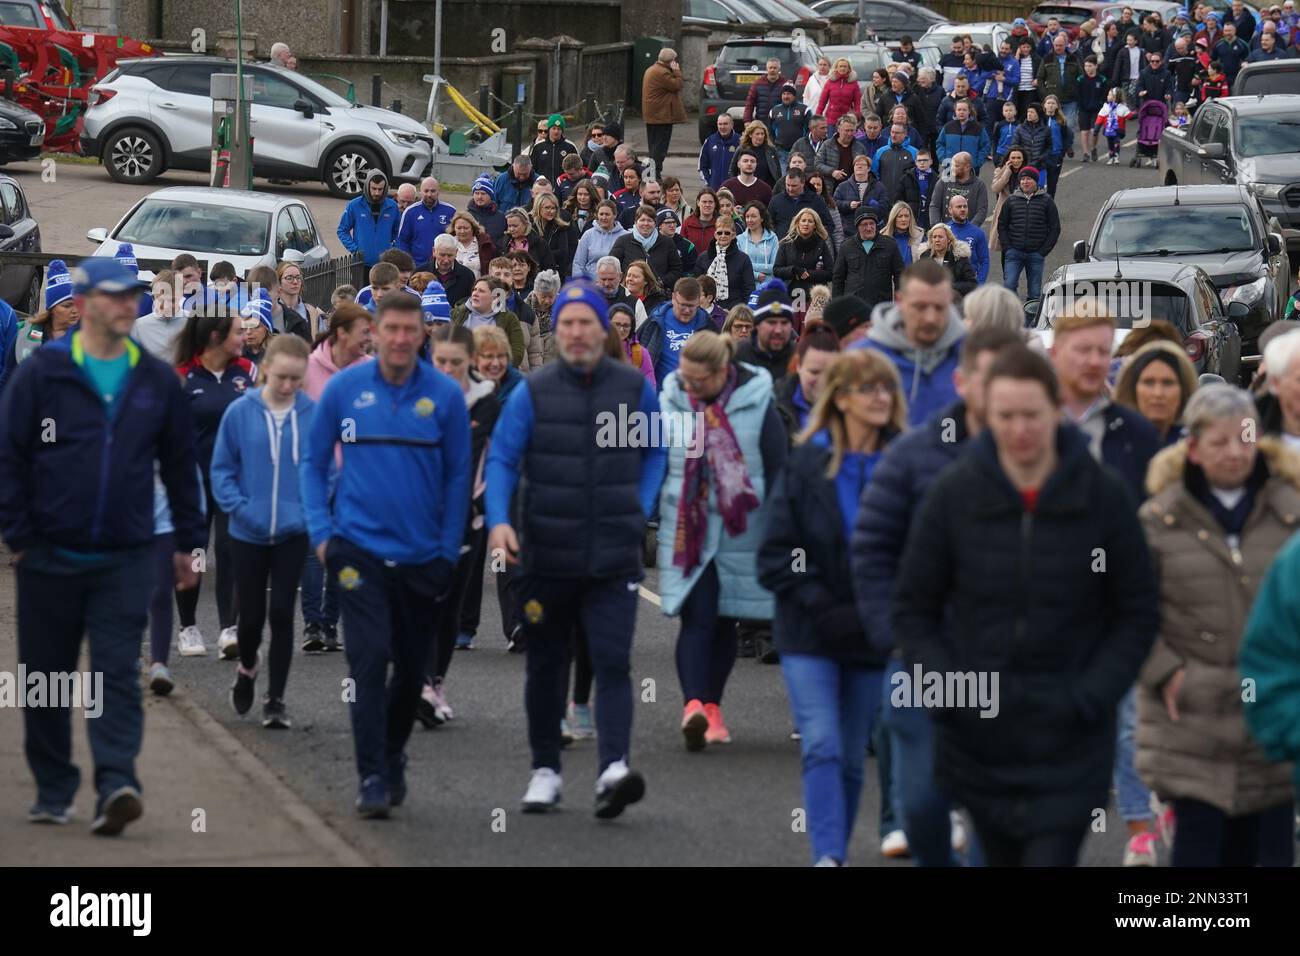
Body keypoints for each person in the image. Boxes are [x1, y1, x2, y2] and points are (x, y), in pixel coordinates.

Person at [892, 344, 1158, 866]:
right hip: (978, 735)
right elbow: (914, 607)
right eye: (1005, 416)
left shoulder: (1101, 496)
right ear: (987, 414)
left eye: (1031, 415)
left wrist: (1093, 693)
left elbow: (1137, 609)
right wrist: (948, 691)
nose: (1019, 429)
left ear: (1055, 407)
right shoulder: (955, 495)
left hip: (1071, 736)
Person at [0, 257, 204, 833]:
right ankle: (53, 787)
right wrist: (20, 535)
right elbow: (10, 458)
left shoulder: (154, 379)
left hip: (126, 554)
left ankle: (117, 782)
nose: (128, 305)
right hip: (48, 555)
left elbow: (180, 466)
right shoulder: (45, 372)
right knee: (47, 677)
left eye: (132, 296)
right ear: (86, 304)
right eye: (116, 296)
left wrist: (188, 542)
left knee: (115, 673)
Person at [485, 279, 664, 816]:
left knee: (611, 660)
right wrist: (498, 520)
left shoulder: (633, 388)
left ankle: (613, 767)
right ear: (558, 330)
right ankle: (545, 771)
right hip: (546, 553)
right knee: (546, 663)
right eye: (568, 323)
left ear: (601, 329)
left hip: (613, 554)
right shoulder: (533, 392)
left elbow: (656, 452)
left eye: (587, 322)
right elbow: (502, 460)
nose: (578, 332)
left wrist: (640, 505)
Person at [853, 325, 1021, 866]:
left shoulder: (1052, 459)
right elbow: (874, 551)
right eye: (986, 378)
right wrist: (894, 638)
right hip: (923, 658)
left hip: (1010, 664)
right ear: (961, 381)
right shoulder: (913, 454)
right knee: (923, 803)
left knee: (999, 812)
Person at [302, 292, 470, 817]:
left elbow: (459, 477)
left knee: (409, 674)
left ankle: (393, 753)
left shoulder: (444, 397)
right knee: (369, 661)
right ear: (376, 332)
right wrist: (323, 535)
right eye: (391, 328)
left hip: (423, 558)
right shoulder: (346, 388)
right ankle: (371, 774)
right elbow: (311, 463)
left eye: (409, 330)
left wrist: (447, 550)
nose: (400, 338)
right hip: (358, 554)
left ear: (423, 334)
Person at [1138, 384, 1298, 867]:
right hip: (1190, 719)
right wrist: (1166, 670)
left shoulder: (1290, 516)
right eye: (1220, 442)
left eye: (1244, 440)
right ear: (1193, 447)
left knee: (1271, 851)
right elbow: (1129, 610)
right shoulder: (1158, 521)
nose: (1234, 453)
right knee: (1200, 861)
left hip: (1270, 719)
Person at [759, 349, 903, 866]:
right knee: (821, 743)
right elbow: (775, 554)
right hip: (810, 633)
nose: (881, 398)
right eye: (869, 389)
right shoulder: (804, 462)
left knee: (849, 755)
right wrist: (823, 604)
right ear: (841, 399)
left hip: (875, 635)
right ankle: (827, 857)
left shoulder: (903, 467)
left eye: (887, 388)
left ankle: (836, 850)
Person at [658, 329, 785, 749]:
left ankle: (712, 706)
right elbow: (658, 462)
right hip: (688, 526)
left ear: (722, 371)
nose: (689, 386)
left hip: (741, 528)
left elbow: (777, 463)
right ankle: (693, 705)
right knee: (698, 615)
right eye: (685, 378)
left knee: (724, 616)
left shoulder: (756, 402)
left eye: (699, 380)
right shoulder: (672, 399)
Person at [210, 333, 314, 728]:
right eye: (281, 377)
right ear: (266, 369)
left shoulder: (313, 414)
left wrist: (307, 512)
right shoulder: (241, 412)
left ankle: (276, 699)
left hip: (293, 531)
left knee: (284, 613)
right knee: (250, 619)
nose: (288, 386)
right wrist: (240, 508)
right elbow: (222, 469)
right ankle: (248, 667)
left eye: (296, 379)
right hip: (248, 532)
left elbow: (326, 471)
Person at [410, 322, 501, 727]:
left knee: (448, 606)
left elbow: (488, 459)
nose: (447, 370)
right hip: (416, 515)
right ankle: (416, 681)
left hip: (466, 518)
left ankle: (434, 682)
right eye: (440, 361)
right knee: (417, 602)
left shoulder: (487, 400)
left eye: (456, 363)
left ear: (471, 362)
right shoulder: (416, 392)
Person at [173, 302, 254, 660]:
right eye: (238, 331)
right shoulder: (181, 376)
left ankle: (228, 628)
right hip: (191, 482)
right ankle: (188, 626)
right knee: (194, 555)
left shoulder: (249, 371)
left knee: (230, 550)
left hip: (234, 482)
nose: (245, 336)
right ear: (216, 336)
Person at [300, 304, 372, 653]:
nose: (368, 339)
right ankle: (313, 622)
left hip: (357, 474)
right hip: (316, 469)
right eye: (363, 332)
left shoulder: (370, 370)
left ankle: (331, 622)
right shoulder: (309, 367)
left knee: (347, 550)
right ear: (341, 333)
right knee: (315, 549)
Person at [851, 259, 964, 427]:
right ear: (900, 301)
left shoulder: (973, 355)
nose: (930, 318)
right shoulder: (863, 358)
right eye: (920, 307)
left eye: (940, 308)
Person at [1113, 341, 1199, 446]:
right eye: (1148, 382)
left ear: (1184, 389)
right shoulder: (1108, 446)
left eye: (1168, 383)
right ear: (1132, 388)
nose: (1158, 393)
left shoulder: (1200, 450)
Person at [638, 277, 716, 387]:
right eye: (683, 305)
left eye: (691, 306)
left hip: (695, 396)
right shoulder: (656, 320)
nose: (687, 310)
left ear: (698, 301)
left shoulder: (707, 325)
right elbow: (637, 353)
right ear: (674, 297)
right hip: (660, 396)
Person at [997, 166, 1059, 301]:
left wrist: (1043, 251)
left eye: (1029, 179)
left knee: (1034, 293)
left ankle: (1031, 320)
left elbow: (1055, 228)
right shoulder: (1011, 200)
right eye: (1023, 179)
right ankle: (1013, 315)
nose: (1025, 182)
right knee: (1009, 286)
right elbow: (1002, 224)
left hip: (1036, 254)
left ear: (1036, 181)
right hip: (1014, 252)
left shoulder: (1047, 201)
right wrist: (1007, 247)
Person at [773, 320, 840, 439]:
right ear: (798, 366)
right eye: (814, 372)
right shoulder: (774, 404)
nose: (823, 380)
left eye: (830, 373)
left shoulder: (852, 407)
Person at [9, 259, 79, 368]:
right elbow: (8, 374)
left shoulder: (87, 336)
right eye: (67, 306)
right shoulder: (25, 335)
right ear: (52, 309)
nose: (75, 310)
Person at [832, 208, 904, 310]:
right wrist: (837, 305)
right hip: (854, 306)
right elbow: (838, 278)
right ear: (857, 226)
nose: (869, 228)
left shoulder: (890, 245)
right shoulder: (846, 246)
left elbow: (899, 275)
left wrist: (899, 303)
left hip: (881, 306)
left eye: (872, 223)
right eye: (864, 224)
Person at [450, 277, 526, 367]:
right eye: (474, 290)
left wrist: (497, 367)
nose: (475, 294)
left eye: (481, 291)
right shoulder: (457, 313)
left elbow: (517, 352)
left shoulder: (509, 318)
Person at [610, 204, 683, 292]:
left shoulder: (667, 242)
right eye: (642, 220)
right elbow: (612, 265)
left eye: (650, 220)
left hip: (658, 294)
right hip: (629, 293)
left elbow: (676, 269)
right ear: (636, 222)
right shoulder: (623, 241)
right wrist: (625, 282)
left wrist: (662, 281)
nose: (646, 223)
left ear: (655, 223)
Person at [774, 209, 834, 310]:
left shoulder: (822, 244)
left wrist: (809, 274)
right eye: (803, 220)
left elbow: (830, 273)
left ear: (815, 225)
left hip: (815, 298)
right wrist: (793, 270)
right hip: (790, 295)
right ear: (797, 222)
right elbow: (776, 270)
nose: (806, 224)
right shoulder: (786, 244)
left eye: (810, 221)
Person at [337, 169, 399, 267]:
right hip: (360, 264)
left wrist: (393, 248)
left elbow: (397, 232)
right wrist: (355, 249)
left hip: (385, 265)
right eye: (373, 188)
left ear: (385, 188)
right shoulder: (354, 205)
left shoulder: (393, 207)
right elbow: (342, 230)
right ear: (367, 187)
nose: (377, 193)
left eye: (380, 189)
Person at [642, 48, 686, 179]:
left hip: (654, 115)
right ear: (670, 61)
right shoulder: (662, 73)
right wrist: (677, 71)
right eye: (674, 60)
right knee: (659, 148)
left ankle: (653, 172)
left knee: (654, 145)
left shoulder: (652, 69)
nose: (676, 63)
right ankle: (654, 174)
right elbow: (677, 85)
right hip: (661, 115)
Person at [396, 177, 456, 268]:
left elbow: (456, 240)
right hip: (417, 266)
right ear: (421, 192)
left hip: (443, 267)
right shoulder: (410, 212)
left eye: (433, 191)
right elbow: (403, 242)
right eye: (426, 191)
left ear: (438, 192)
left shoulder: (450, 211)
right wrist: (408, 264)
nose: (429, 194)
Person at [696, 218, 756, 309]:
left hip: (734, 310)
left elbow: (749, 289)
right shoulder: (703, 257)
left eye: (727, 233)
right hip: (706, 310)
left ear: (733, 235)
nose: (723, 236)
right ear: (715, 234)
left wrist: (742, 311)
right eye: (720, 233)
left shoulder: (743, 259)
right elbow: (696, 287)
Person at [768, 167, 835, 243]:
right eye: (788, 185)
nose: (790, 189)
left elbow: (829, 225)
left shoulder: (816, 200)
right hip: (782, 246)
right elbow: (768, 224)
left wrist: (815, 239)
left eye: (794, 186)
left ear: (803, 183)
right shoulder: (776, 200)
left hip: (809, 248)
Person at [929, 151, 990, 230]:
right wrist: (937, 228)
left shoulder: (979, 185)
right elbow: (934, 206)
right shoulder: (943, 182)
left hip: (969, 231)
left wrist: (970, 229)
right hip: (945, 232)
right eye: (952, 165)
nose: (952, 168)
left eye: (956, 166)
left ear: (967, 167)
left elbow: (982, 211)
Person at [917, 223, 978, 298]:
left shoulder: (959, 258)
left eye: (940, 237)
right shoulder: (924, 258)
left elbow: (972, 285)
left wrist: (950, 287)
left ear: (948, 239)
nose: (937, 240)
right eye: (934, 237)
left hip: (953, 303)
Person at [571, 200, 628, 280]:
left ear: (615, 215)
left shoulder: (625, 236)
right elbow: (578, 264)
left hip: (615, 285)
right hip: (591, 284)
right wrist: (580, 283)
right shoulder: (588, 235)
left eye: (607, 214)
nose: (604, 217)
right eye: (601, 214)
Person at [1037, 33, 1083, 129]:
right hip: (1052, 99)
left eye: (1061, 45)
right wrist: (1045, 94)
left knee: (1069, 126)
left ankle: (1067, 144)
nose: (1058, 48)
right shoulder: (1047, 59)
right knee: (1053, 127)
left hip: (1071, 99)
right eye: (1056, 45)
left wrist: (1077, 91)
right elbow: (1040, 78)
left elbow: (1081, 77)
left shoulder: (1073, 58)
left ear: (1066, 45)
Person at [420, 233, 477, 309]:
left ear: (456, 252)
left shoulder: (467, 275)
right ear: (434, 251)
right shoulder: (420, 273)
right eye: (442, 255)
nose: (446, 260)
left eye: (450, 255)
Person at [944, 194, 990, 285]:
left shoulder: (978, 232)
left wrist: (979, 283)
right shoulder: (944, 231)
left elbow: (984, 261)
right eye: (958, 207)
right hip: (948, 283)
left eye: (965, 206)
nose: (962, 209)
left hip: (969, 283)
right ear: (950, 210)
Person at [936, 102, 991, 177]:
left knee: (970, 188)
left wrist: (977, 162)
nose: (961, 112)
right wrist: (944, 160)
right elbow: (940, 144)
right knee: (950, 188)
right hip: (950, 169)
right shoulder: (947, 127)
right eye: (959, 109)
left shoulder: (978, 128)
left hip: (971, 169)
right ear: (955, 111)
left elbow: (986, 146)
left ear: (969, 111)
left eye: (964, 110)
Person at [833, 154, 889, 228]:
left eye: (863, 164)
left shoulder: (879, 187)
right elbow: (834, 204)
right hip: (849, 229)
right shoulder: (843, 186)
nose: (859, 166)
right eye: (857, 164)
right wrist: (848, 205)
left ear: (869, 169)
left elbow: (885, 209)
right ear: (853, 168)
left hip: (872, 229)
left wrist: (875, 206)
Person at [531, 193, 577, 279]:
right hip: (533, 273)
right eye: (547, 208)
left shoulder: (560, 227)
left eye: (553, 208)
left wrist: (541, 255)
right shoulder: (530, 227)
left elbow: (563, 252)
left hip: (554, 273)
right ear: (538, 208)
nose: (551, 211)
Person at [609, 302, 656, 386]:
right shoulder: (597, 351)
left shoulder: (640, 353)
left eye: (626, 325)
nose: (621, 329)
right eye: (617, 324)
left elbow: (649, 387)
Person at [816, 114, 869, 186]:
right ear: (839, 129)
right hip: (831, 188)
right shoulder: (827, 145)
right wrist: (832, 172)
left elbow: (866, 167)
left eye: (852, 130)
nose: (850, 133)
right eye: (847, 130)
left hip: (852, 189)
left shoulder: (860, 147)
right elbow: (817, 164)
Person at [529, 114, 579, 187]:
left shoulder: (570, 147)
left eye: (559, 129)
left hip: (564, 187)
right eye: (554, 128)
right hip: (542, 187)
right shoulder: (538, 147)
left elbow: (578, 168)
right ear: (549, 129)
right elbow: (532, 169)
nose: (556, 131)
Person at [737, 202, 779, 286]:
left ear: (762, 218)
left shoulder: (773, 238)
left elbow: (775, 267)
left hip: (767, 287)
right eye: (747, 216)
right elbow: (738, 267)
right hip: (745, 287)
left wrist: (748, 265)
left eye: (753, 216)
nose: (749, 220)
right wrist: (756, 275)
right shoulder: (739, 239)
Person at [729, 122, 783, 188]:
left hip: (768, 188)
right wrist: (736, 186)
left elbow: (778, 171)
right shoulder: (742, 149)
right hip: (746, 187)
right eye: (757, 134)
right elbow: (732, 170)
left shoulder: (771, 149)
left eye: (762, 134)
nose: (760, 136)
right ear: (750, 134)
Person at [445, 211, 495, 281]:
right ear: (454, 229)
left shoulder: (485, 244)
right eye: (459, 228)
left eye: (466, 228)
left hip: (478, 287)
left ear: (473, 227)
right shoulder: (447, 243)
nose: (462, 231)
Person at [698, 115, 741, 192]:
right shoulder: (710, 141)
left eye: (725, 124)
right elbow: (702, 166)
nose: (722, 127)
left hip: (734, 190)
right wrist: (709, 183)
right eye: (720, 124)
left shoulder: (740, 142)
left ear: (732, 124)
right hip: (714, 189)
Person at [817, 58, 862, 129]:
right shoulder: (830, 82)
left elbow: (858, 102)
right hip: (832, 119)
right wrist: (818, 116)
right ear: (836, 68)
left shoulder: (854, 84)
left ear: (849, 69)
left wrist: (858, 115)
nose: (843, 68)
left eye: (845, 66)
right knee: (831, 139)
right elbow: (822, 101)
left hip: (847, 119)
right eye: (840, 66)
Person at [744, 57, 790, 124]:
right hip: (761, 122)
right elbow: (749, 103)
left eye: (775, 68)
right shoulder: (757, 84)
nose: (772, 70)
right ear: (767, 69)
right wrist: (747, 120)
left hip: (779, 122)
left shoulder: (785, 84)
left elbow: (791, 104)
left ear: (779, 69)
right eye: (770, 68)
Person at [468, 175, 509, 249]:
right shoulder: (467, 216)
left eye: (483, 194)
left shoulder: (501, 217)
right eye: (477, 193)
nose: (479, 197)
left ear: (491, 195)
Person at [883, 201, 924, 266]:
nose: (904, 219)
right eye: (900, 216)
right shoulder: (883, 237)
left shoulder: (920, 236)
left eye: (906, 216)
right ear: (894, 218)